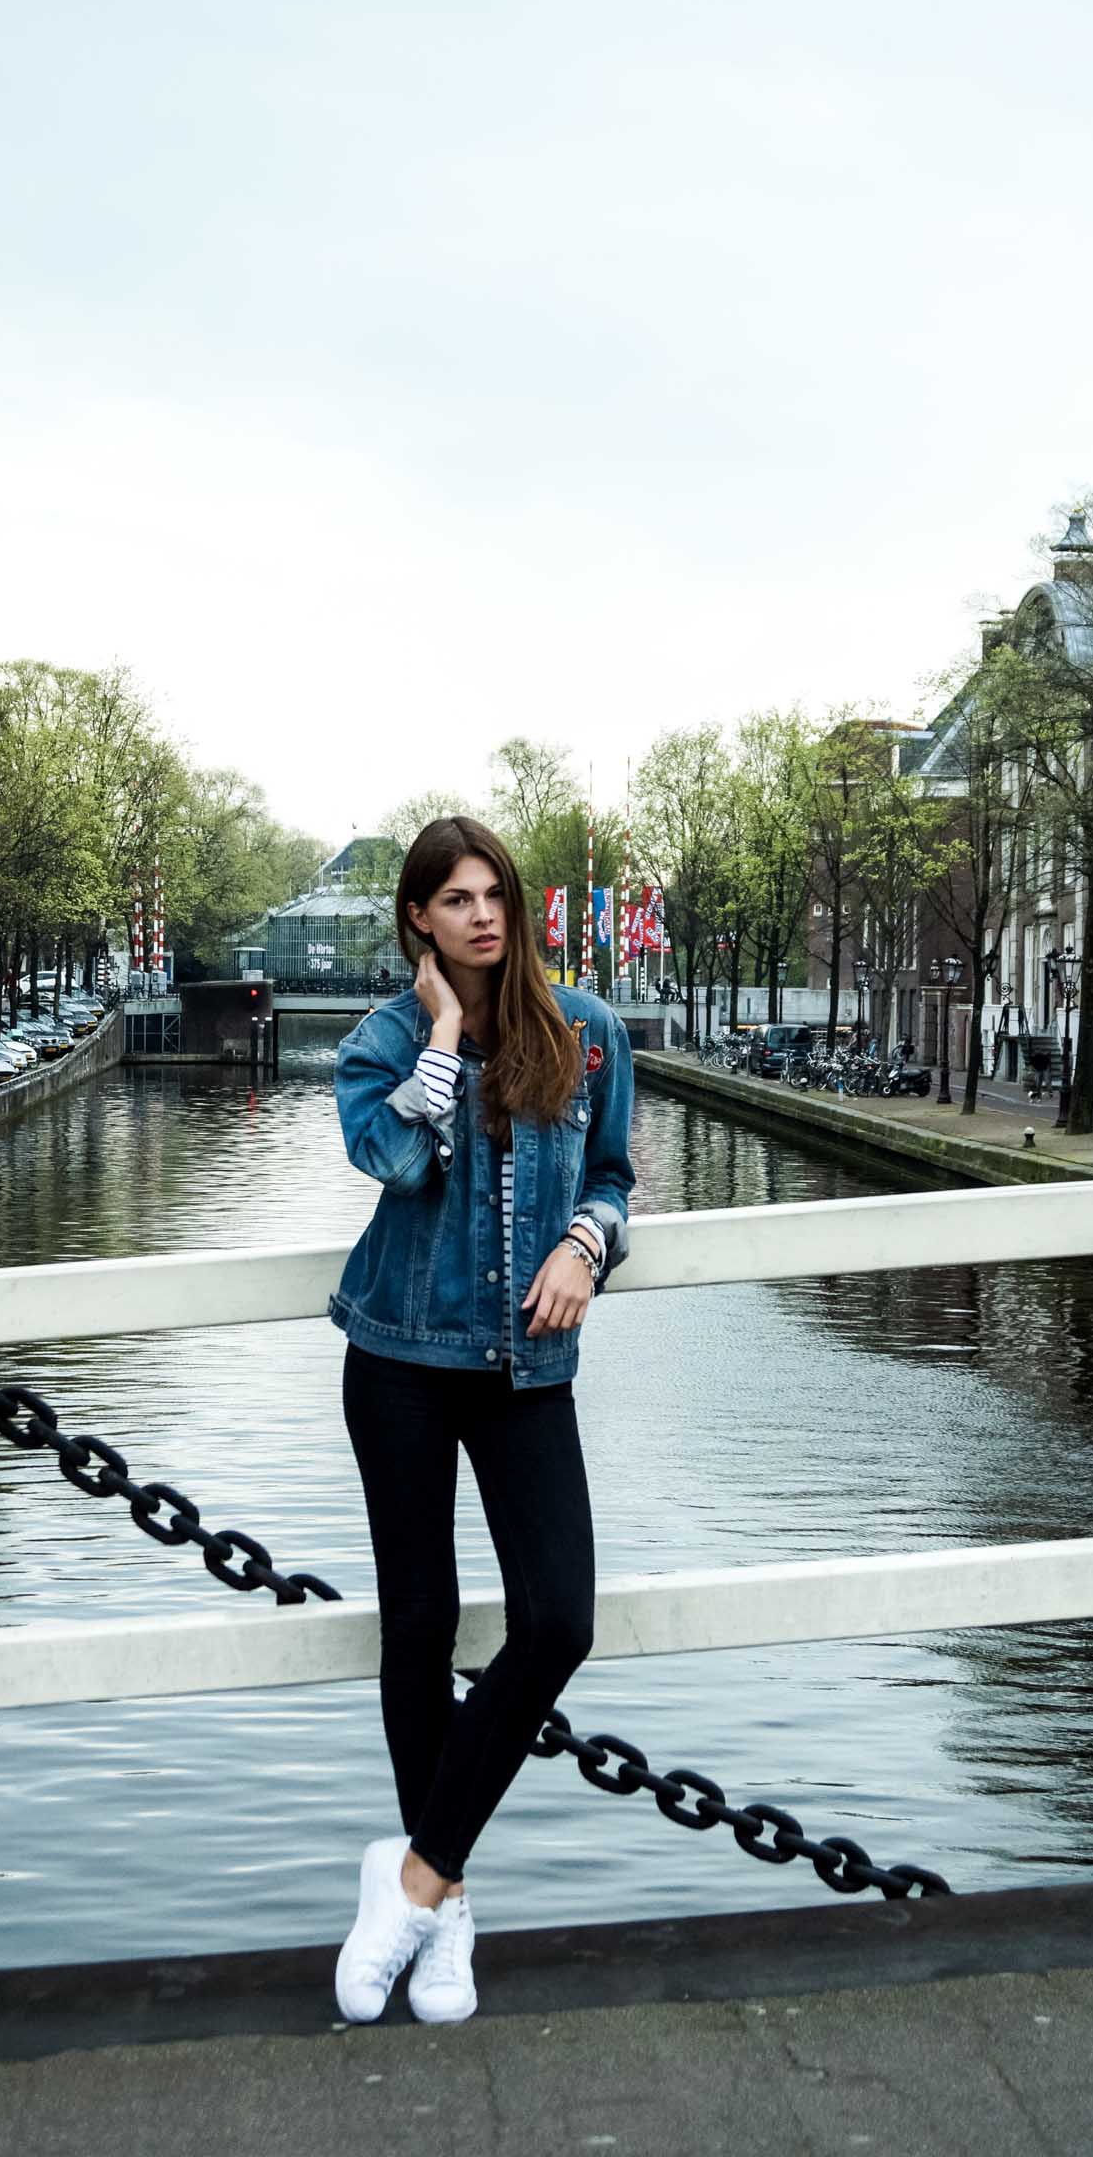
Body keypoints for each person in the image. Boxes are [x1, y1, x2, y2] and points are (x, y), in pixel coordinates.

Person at [328, 816, 635, 2028]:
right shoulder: (383, 1041)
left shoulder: (591, 1036)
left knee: (557, 1616)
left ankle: (411, 1878)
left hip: (526, 1366)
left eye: (493, 893)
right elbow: (395, 1160)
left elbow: (611, 1179)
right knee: (422, 1623)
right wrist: (446, 1034)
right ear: (418, 919)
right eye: (454, 900)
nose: (482, 916)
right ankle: (444, 1913)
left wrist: (581, 1242)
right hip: (398, 1357)